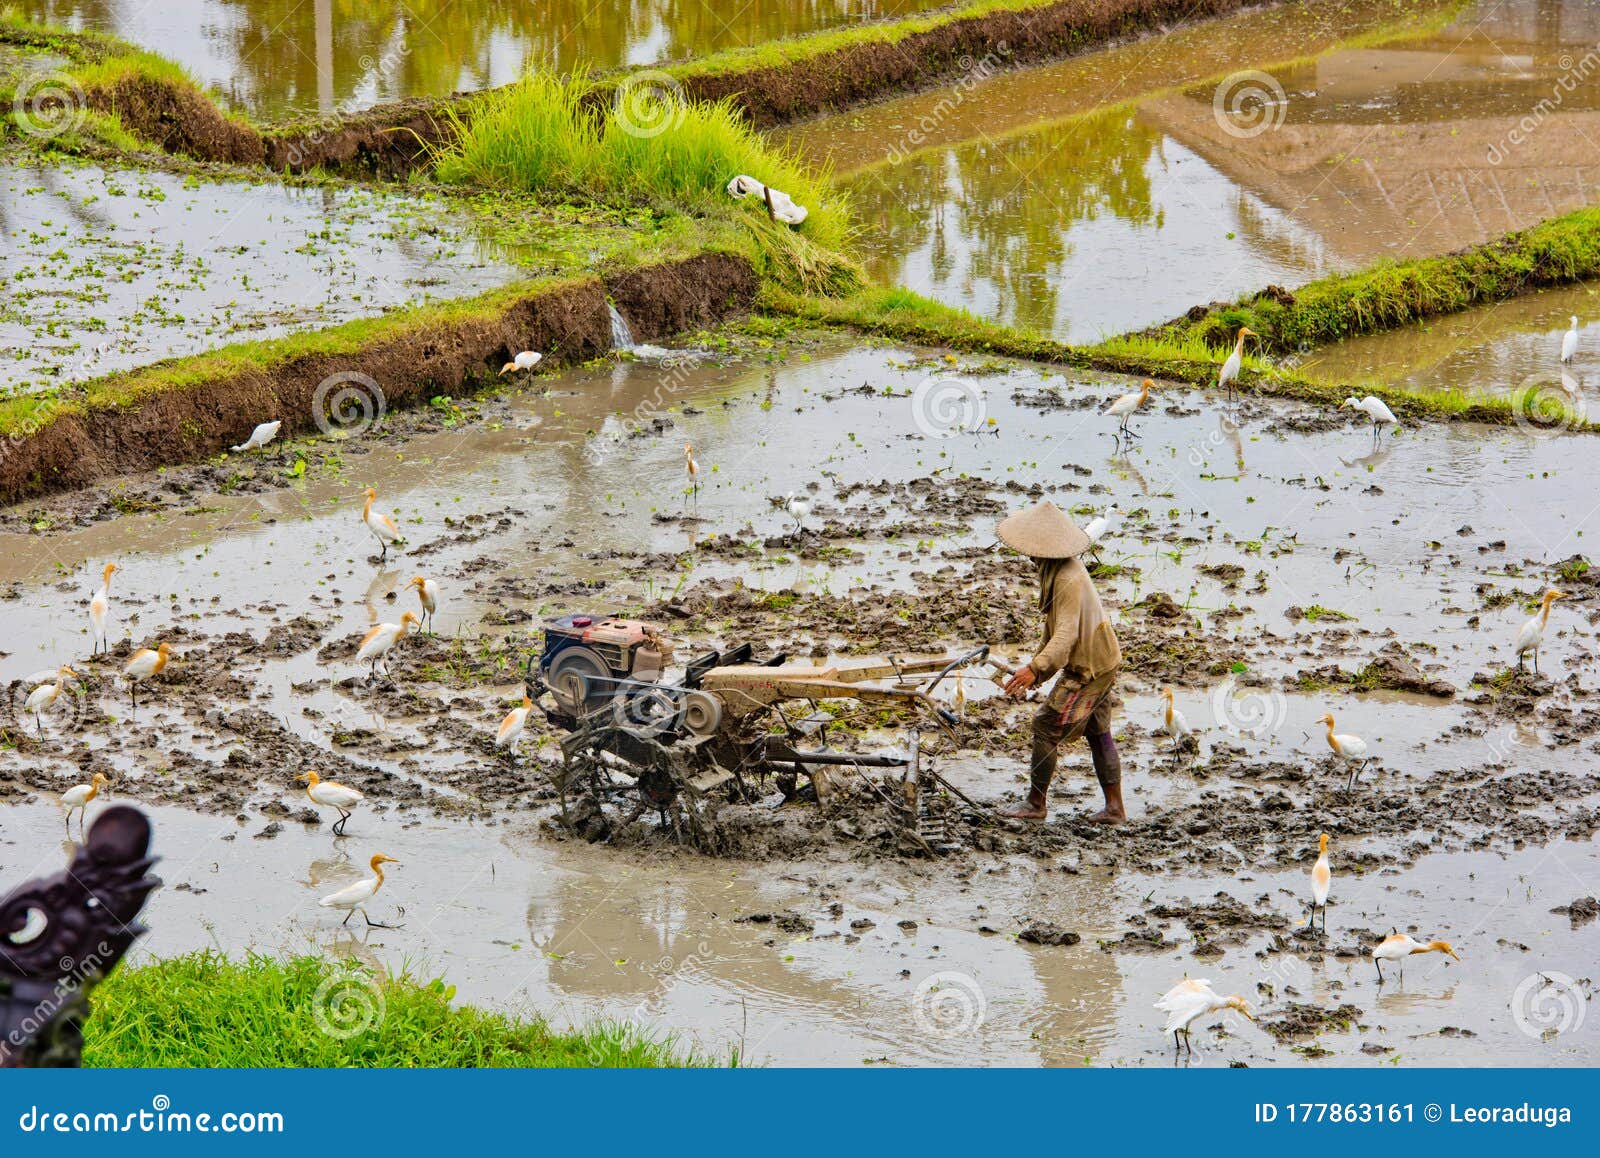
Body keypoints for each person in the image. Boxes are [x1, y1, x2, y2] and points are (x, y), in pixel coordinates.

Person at [995, 500, 1126, 823]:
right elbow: (1053, 629)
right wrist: (1033, 672)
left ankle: (1036, 805)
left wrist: (1036, 669)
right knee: (1098, 732)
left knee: (1044, 726)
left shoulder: (1067, 579)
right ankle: (1114, 808)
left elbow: (1064, 639)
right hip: (1104, 659)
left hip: (1088, 668)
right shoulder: (1059, 569)